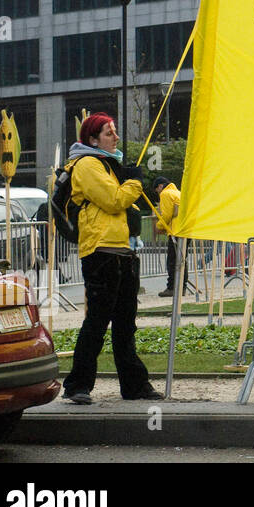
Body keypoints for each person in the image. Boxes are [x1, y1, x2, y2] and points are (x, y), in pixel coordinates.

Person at [61, 114, 162, 404]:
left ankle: (134, 386)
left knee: (125, 323)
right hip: (101, 251)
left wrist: (128, 181)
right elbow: (114, 200)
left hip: (123, 250)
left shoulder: (107, 164)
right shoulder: (87, 164)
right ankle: (77, 385)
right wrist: (134, 182)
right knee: (97, 320)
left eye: (115, 132)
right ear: (93, 140)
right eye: (109, 133)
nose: (115, 137)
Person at [154, 177, 183, 298]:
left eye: (157, 190)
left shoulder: (166, 193)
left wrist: (159, 226)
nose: (158, 193)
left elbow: (166, 214)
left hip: (175, 231)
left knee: (172, 261)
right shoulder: (178, 192)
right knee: (181, 260)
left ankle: (172, 288)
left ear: (160, 186)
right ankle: (182, 287)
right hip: (184, 229)